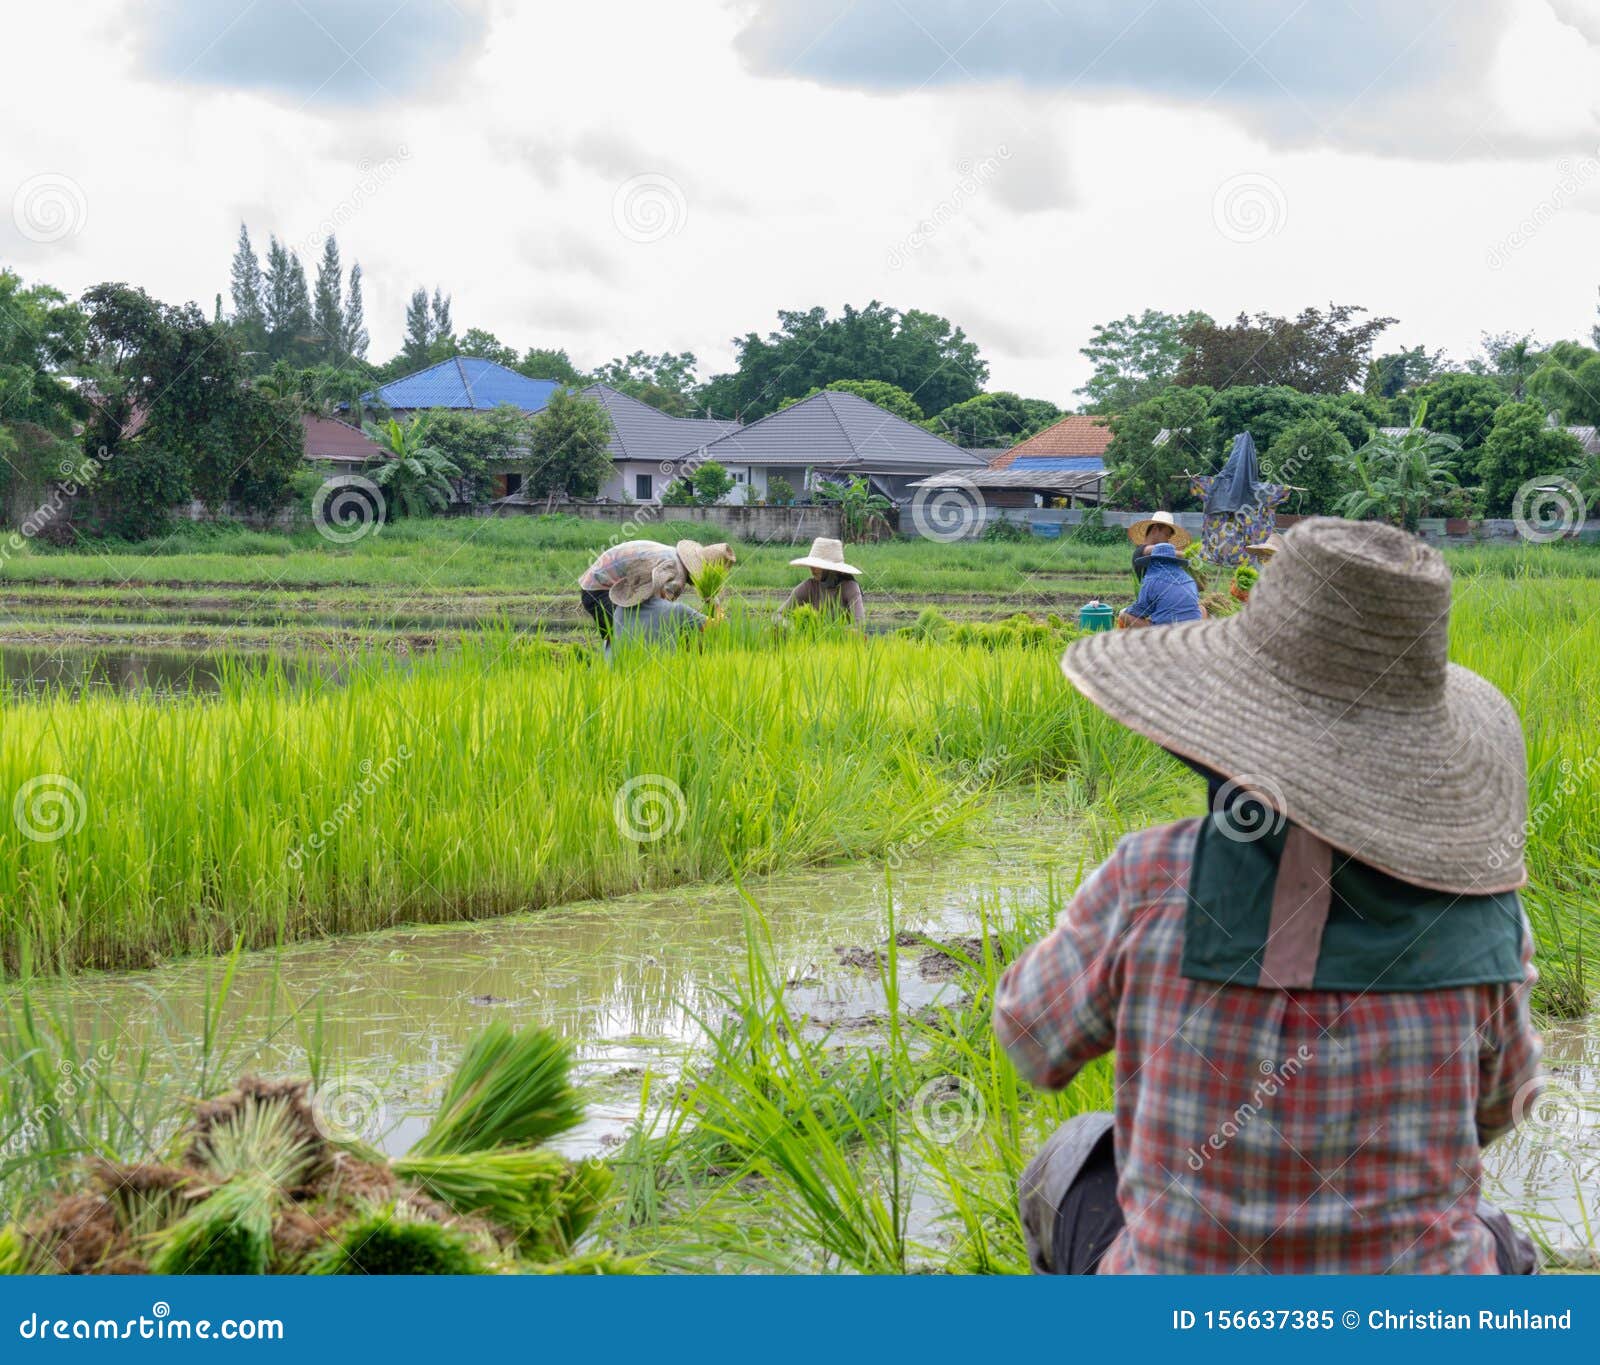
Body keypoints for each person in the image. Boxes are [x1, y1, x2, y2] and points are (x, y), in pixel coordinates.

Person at [996, 517, 1541, 1276]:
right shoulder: (1481, 910)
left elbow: (1030, 1036)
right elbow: (1503, 1104)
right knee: (1495, 1236)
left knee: (1073, 1152)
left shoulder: (1150, 878)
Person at [577, 539, 735, 639]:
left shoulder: (672, 556)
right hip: (602, 590)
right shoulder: (675, 573)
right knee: (623, 638)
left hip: (598, 584)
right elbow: (658, 612)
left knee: (626, 638)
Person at [781, 537, 865, 625]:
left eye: (817, 565)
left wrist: (831, 632)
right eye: (811, 565)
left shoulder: (849, 587)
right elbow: (778, 615)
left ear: (831, 569)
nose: (812, 569)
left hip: (842, 636)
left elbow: (860, 624)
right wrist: (790, 626)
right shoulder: (809, 586)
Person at [1118, 541, 1201, 628]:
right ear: (1174, 561)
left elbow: (1139, 611)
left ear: (1153, 561)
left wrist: (1126, 610)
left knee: (1124, 615)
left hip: (1167, 631)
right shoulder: (1189, 579)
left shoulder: (1152, 580)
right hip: (1192, 629)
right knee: (1201, 608)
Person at [1127, 510, 1190, 582]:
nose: (1167, 541)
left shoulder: (1159, 556)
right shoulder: (1141, 551)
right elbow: (1160, 549)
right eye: (1166, 535)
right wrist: (1187, 555)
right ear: (1155, 529)